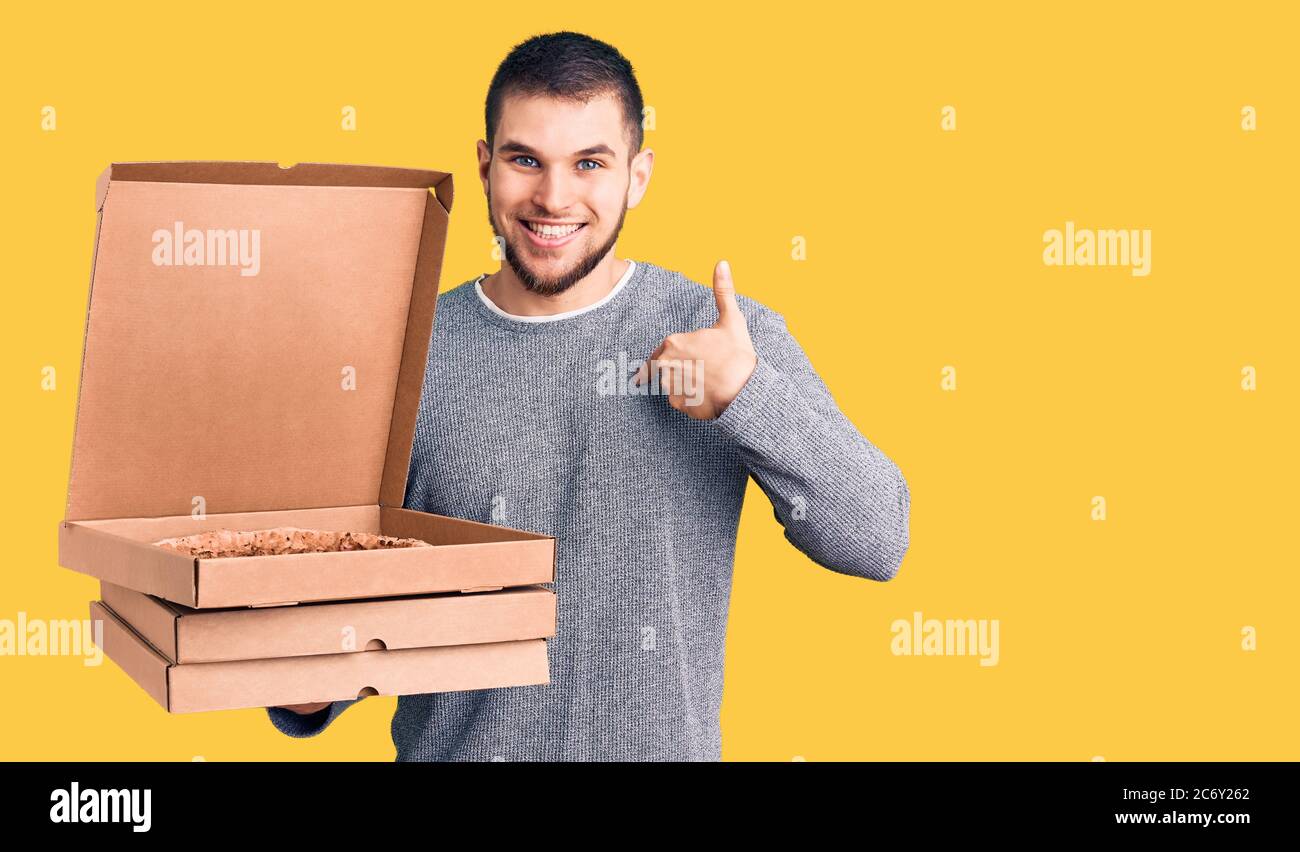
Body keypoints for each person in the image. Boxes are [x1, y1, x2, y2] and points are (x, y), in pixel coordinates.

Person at [267, 30, 910, 761]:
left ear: (636, 176)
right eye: (524, 160)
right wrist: (300, 671)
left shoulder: (727, 340)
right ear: (484, 166)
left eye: (589, 163)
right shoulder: (400, 359)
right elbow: (341, 628)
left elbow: (879, 538)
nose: (553, 197)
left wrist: (748, 396)